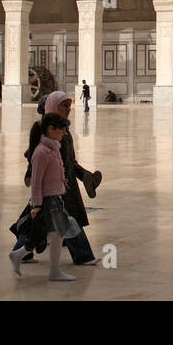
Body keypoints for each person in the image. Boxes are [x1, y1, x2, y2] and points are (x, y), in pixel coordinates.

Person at [9, 112, 76, 280]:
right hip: (47, 201)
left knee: (49, 235)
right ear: (51, 129)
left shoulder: (52, 149)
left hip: (55, 198)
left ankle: (18, 255)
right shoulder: (41, 152)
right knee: (56, 235)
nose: (64, 133)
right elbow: (36, 181)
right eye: (62, 129)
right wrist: (36, 205)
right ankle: (53, 272)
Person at [40, 91, 102, 266]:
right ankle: (83, 256)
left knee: (45, 219)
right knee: (68, 217)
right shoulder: (46, 129)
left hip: (65, 180)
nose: (69, 109)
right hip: (54, 184)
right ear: (53, 106)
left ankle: (22, 251)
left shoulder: (63, 129)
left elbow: (69, 159)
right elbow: (33, 154)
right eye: (64, 106)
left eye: (69, 105)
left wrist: (82, 175)